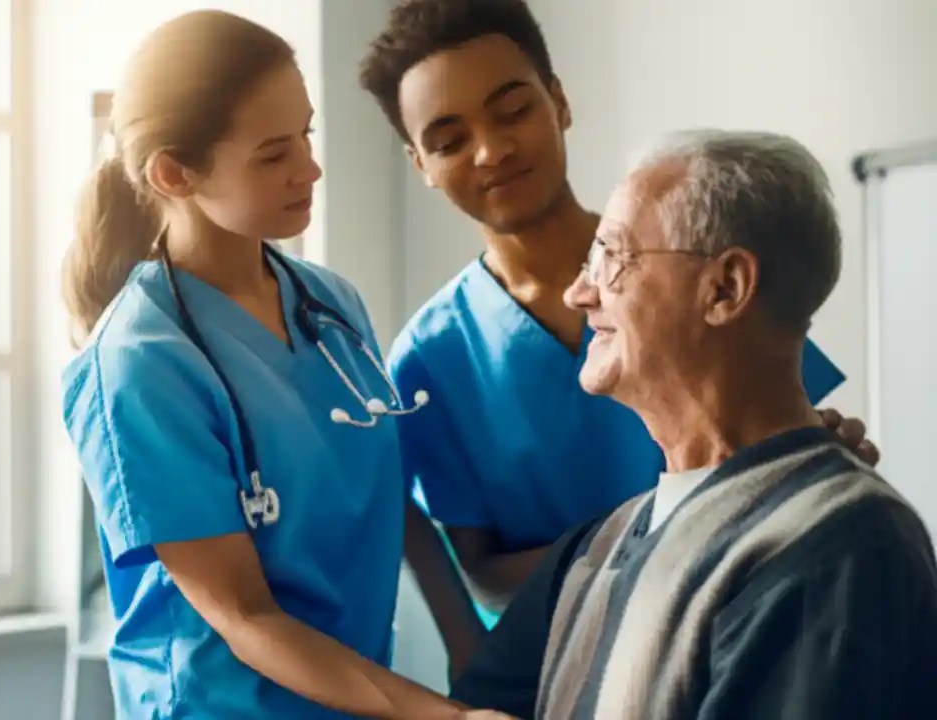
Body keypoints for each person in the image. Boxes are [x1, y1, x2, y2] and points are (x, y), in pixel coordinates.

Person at [357, 0, 877, 667]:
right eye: (450, 141)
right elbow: (478, 575)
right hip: (571, 664)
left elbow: (782, 443)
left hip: (751, 629)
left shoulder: (691, 260)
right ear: (420, 164)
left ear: (559, 102)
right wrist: (672, 529)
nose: (492, 150)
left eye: (513, 110)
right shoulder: (429, 361)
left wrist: (818, 461)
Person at [61, 11, 510, 720]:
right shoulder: (139, 364)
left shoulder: (332, 306)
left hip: (353, 698)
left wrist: (472, 656)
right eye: (274, 155)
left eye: (306, 135)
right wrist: (442, 716)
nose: (311, 168)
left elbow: (387, 496)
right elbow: (242, 613)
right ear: (174, 173)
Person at [452, 129, 937, 719]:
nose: (580, 293)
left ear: (725, 288)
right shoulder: (592, 552)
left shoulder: (843, 548)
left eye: (610, 257)